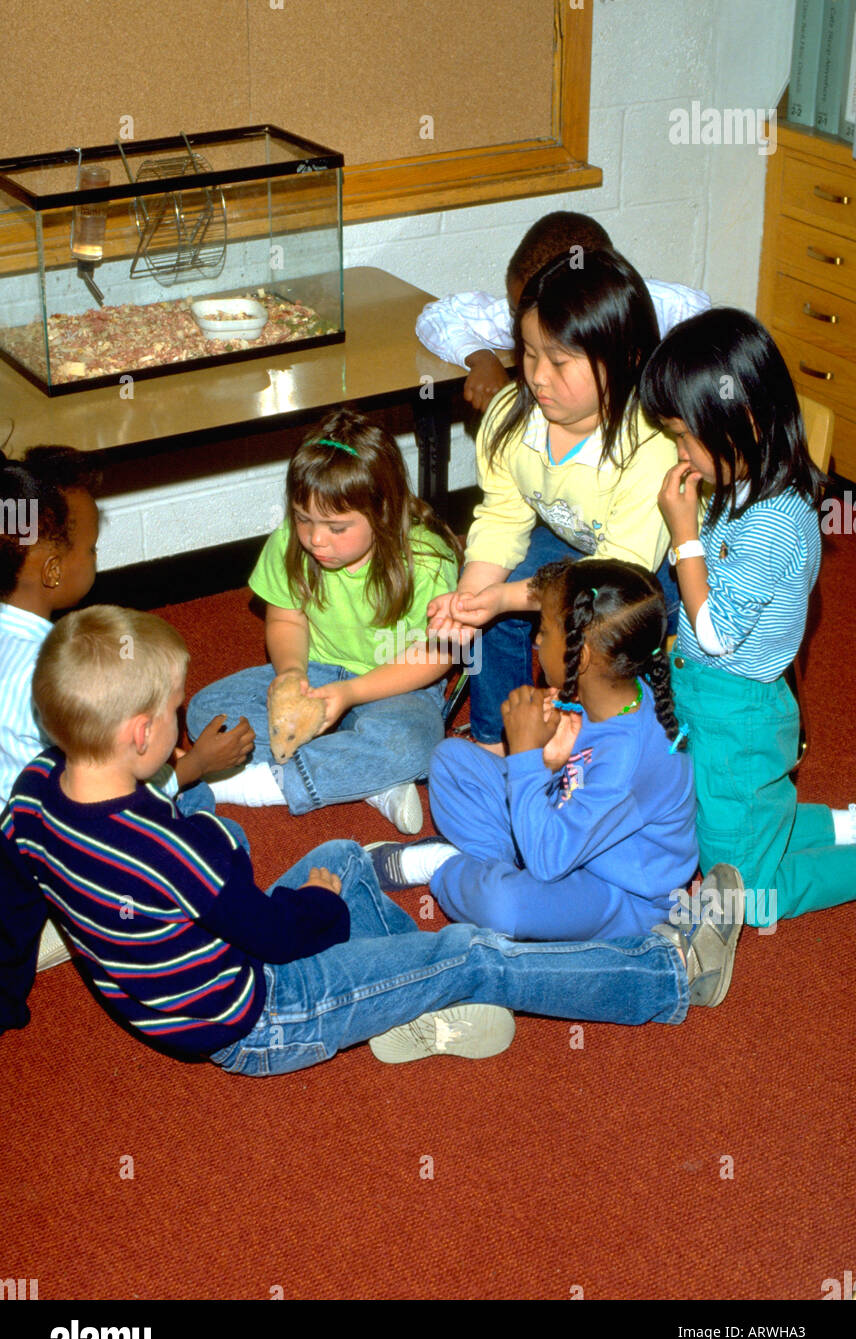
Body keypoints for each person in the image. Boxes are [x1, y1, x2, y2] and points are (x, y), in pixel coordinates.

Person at [0, 604, 744, 1075]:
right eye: (173, 707)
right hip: (259, 1015)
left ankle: (406, 998)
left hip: (172, 992)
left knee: (341, 858)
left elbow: (12, 895)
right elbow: (271, 932)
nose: (181, 714)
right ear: (139, 734)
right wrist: (318, 913)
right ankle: (671, 978)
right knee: (471, 951)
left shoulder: (31, 792)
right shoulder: (183, 846)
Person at [639, 306, 856, 925]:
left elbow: (715, 634)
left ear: (745, 419)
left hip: (741, 714)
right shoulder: (742, 486)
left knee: (742, 896)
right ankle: (841, 824)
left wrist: (683, 533)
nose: (679, 452)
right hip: (712, 702)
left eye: (685, 436)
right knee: (729, 820)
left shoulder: (775, 520)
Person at [0, 448, 253, 966]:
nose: (96, 557)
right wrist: (194, 768)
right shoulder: (46, 675)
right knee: (199, 823)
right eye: (90, 549)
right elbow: (95, 799)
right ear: (52, 571)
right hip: (33, 846)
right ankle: (63, 909)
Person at [370, 558, 698, 942]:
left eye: (544, 630)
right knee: (451, 760)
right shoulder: (614, 692)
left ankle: (444, 865)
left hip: (617, 894)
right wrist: (550, 760)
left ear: (583, 655)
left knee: (503, 906)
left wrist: (526, 755)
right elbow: (572, 787)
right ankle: (497, 869)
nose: (537, 641)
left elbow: (549, 860)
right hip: (561, 840)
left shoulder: (629, 760)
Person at [428, 247, 679, 752]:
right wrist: (473, 597)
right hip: (577, 547)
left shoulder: (652, 447)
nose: (538, 376)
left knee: (580, 630)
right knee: (494, 605)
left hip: (645, 577)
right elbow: (501, 518)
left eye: (560, 361)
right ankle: (495, 743)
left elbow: (614, 580)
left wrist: (506, 596)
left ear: (625, 358)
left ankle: (597, 740)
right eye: (528, 352)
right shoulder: (510, 417)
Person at [186, 409, 462, 834]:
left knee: (418, 745)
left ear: (384, 512)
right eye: (303, 518)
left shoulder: (427, 561)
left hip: (396, 685)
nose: (316, 539)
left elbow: (435, 655)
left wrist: (351, 693)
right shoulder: (291, 543)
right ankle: (364, 777)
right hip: (317, 675)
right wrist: (292, 672)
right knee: (206, 714)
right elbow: (285, 617)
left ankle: (267, 784)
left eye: (336, 527)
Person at [415, 210, 710, 412]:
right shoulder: (527, 312)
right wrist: (481, 358)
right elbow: (438, 317)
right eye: (518, 310)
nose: (520, 324)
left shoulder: (681, 314)